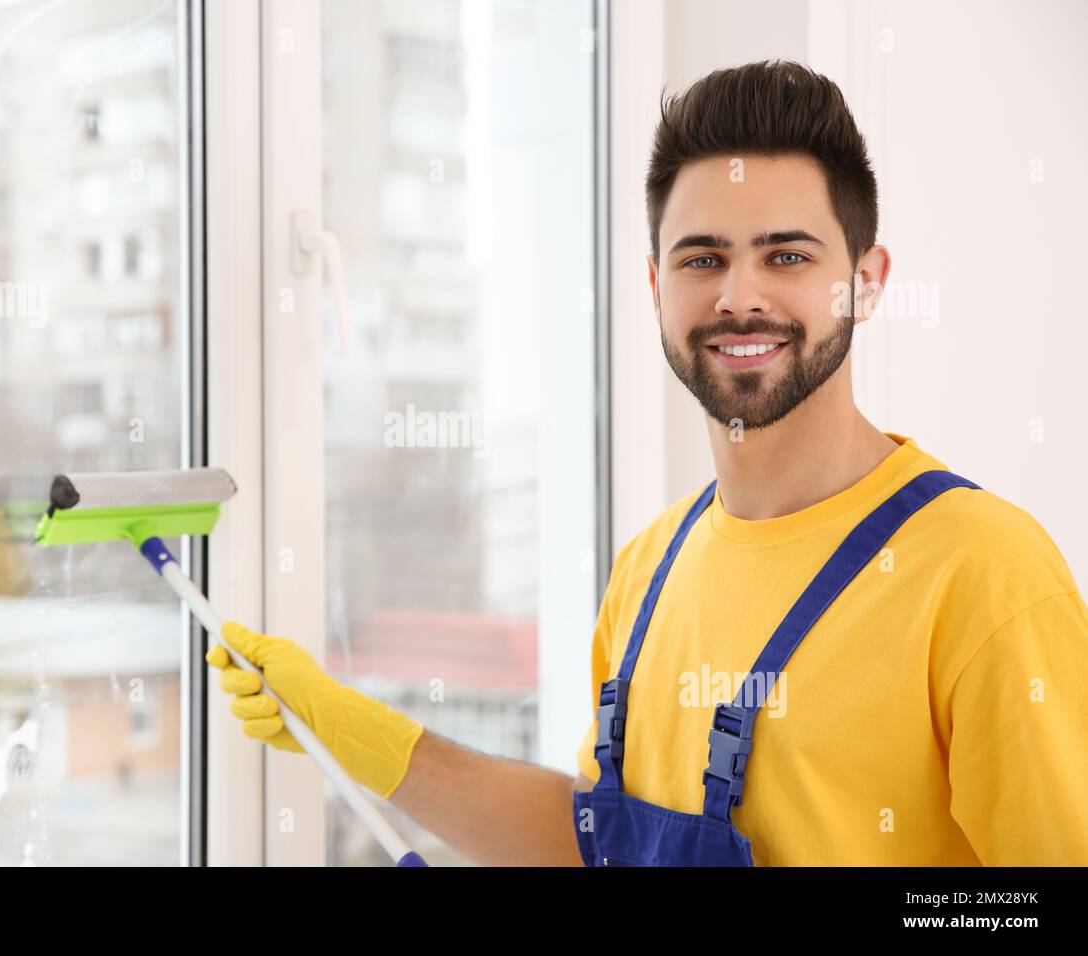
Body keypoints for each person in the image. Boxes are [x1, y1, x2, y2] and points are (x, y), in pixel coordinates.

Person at [207, 59, 1088, 866]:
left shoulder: (984, 577)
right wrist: (372, 742)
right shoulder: (650, 570)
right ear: (657, 287)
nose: (740, 296)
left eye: (787, 255)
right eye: (703, 258)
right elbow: (589, 838)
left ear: (865, 279)